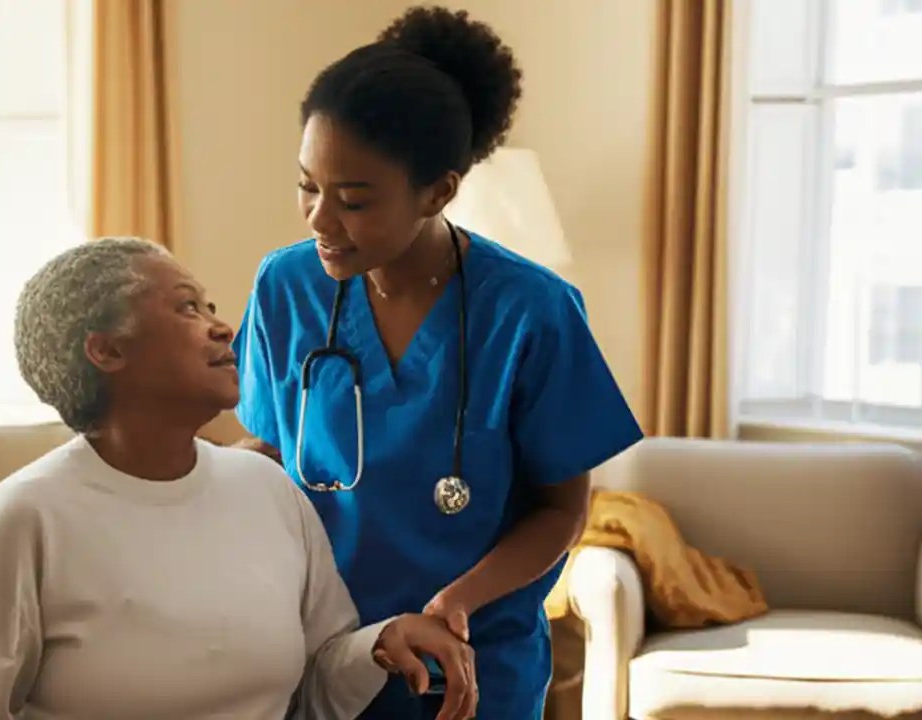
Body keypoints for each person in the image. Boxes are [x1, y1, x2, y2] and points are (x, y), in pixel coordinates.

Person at [231, 6, 645, 719]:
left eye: (354, 200)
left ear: (439, 190)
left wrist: (456, 604)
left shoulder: (531, 312)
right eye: (308, 186)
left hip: (472, 665)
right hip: (323, 655)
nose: (320, 220)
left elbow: (561, 509)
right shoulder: (285, 287)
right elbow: (268, 455)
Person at [0, 237, 479, 720]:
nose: (222, 328)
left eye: (208, 307)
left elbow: (318, 678)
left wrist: (379, 644)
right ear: (107, 351)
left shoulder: (268, 490)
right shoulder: (22, 519)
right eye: (186, 309)